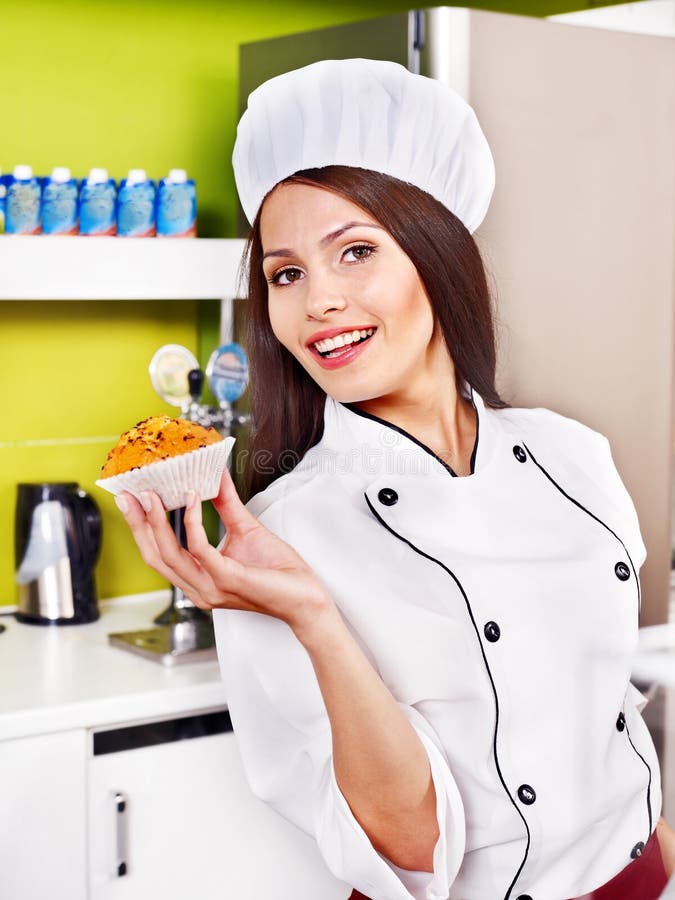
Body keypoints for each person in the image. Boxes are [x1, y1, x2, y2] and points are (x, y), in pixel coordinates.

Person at [114, 58, 675, 900]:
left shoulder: (573, 455)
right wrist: (312, 615)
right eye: (287, 273)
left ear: (437, 255)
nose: (318, 303)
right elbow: (411, 847)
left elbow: (606, 693)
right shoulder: (285, 535)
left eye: (355, 252)